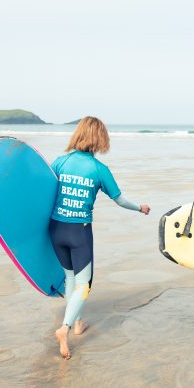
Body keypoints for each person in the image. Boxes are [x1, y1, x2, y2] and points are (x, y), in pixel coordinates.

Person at [50, 116, 150, 359]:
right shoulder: (99, 170)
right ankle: (64, 328)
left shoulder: (60, 162)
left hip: (56, 230)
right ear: (100, 139)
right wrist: (140, 208)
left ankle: (76, 322)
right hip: (79, 232)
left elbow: (43, 192)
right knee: (85, 285)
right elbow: (120, 200)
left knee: (70, 277)